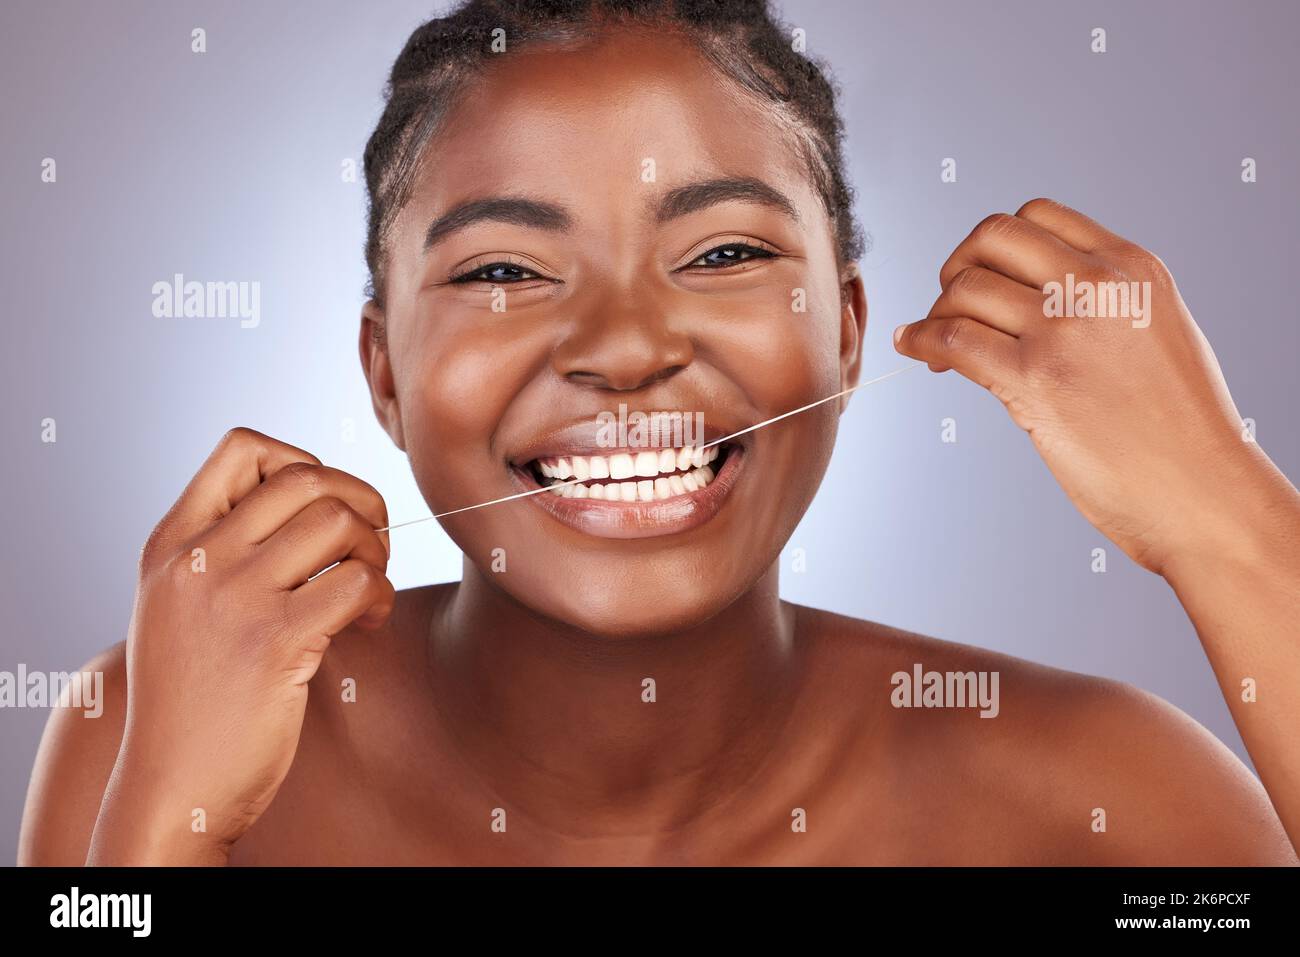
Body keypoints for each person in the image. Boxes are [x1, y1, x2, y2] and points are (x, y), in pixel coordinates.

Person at [19, 0, 1300, 865]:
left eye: (726, 251)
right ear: (384, 375)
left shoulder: (1105, 804)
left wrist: (1233, 525)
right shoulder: (147, 722)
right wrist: (165, 818)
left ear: (846, 333)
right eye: (504, 271)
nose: (625, 349)